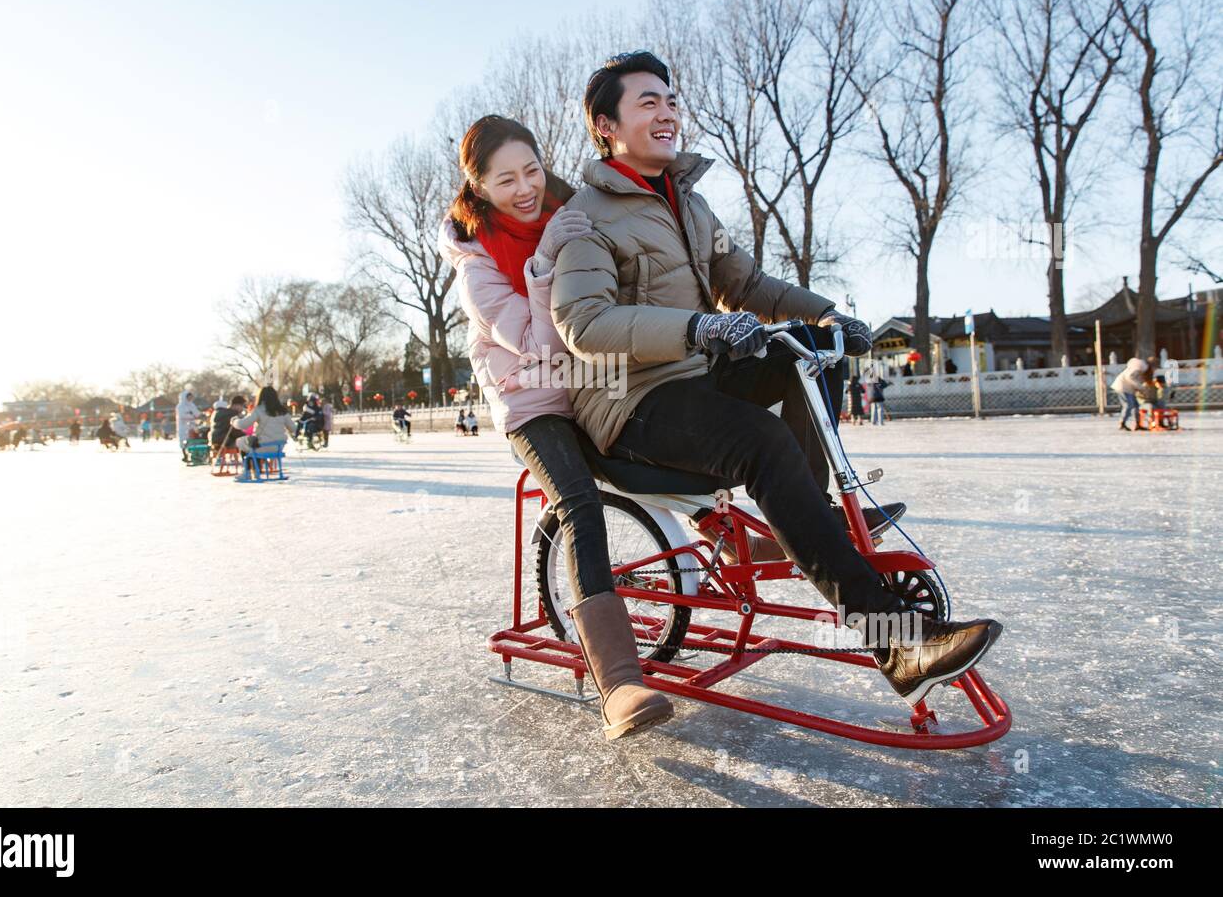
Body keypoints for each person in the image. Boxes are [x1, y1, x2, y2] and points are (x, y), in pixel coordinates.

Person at [548, 51, 1001, 705]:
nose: (668, 111)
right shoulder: (589, 216)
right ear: (606, 126)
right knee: (761, 439)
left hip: (697, 374)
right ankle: (896, 641)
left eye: (671, 100)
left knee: (813, 353)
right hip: (630, 401)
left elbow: (747, 285)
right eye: (647, 102)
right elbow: (583, 322)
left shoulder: (690, 202)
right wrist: (695, 329)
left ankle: (805, 516)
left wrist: (826, 315)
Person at [437, 113, 672, 739]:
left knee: (661, 441)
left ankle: (728, 531)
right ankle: (619, 681)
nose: (524, 189)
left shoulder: (573, 211)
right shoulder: (477, 266)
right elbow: (543, 345)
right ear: (479, 187)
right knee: (579, 502)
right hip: (533, 403)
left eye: (532, 171)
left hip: (593, 385)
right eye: (505, 179)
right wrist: (544, 263)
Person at [231, 386, 296, 481]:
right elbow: (293, 428)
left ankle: (247, 472)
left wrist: (234, 421)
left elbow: (243, 425)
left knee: (242, 442)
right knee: (252, 444)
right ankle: (255, 471)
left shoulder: (259, 410)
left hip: (262, 445)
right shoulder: (282, 411)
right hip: (278, 447)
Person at [1112, 356, 1155, 431]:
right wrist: (1140, 387)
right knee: (1128, 405)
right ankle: (1122, 423)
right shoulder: (1139, 368)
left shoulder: (1138, 367)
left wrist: (1140, 388)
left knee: (1136, 406)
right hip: (1123, 387)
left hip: (1126, 388)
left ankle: (1137, 424)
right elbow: (1130, 377)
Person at [176, 390, 201, 462]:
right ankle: (185, 455)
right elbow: (182, 415)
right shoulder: (180, 406)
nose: (190, 399)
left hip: (192, 425)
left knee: (193, 439)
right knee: (184, 441)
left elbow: (197, 413)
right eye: (189, 397)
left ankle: (194, 454)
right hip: (183, 426)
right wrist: (192, 416)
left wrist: (200, 415)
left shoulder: (192, 405)